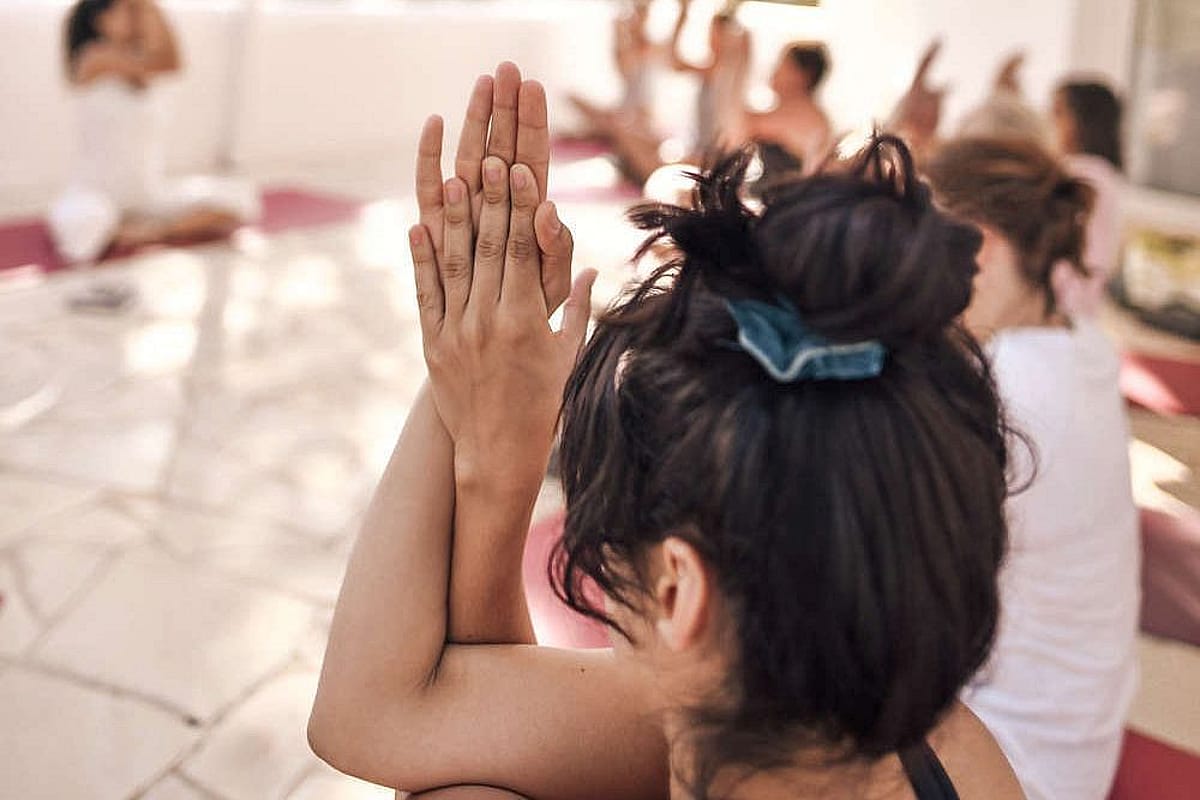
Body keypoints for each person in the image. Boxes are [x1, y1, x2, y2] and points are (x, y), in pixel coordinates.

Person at [309, 62, 1026, 800]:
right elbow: (454, 713)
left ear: (680, 591)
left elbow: (385, 718)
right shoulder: (943, 751)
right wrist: (492, 470)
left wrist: (467, 400)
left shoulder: (681, 718)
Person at [925, 138, 1139, 800]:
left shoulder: (1003, 393)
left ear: (979, 247)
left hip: (1015, 766)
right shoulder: (1083, 345)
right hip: (1077, 743)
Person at [48, 0, 257, 265]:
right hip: (96, 193)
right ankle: (117, 228)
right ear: (99, 19)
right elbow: (168, 62)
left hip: (147, 194)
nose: (135, 17)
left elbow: (172, 61)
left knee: (239, 200)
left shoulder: (140, 66)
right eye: (126, 10)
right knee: (86, 226)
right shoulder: (94, 57)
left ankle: (149, 233)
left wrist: (146, 7)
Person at [1050, 81, 1125, 316]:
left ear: (1081, 121)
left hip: (1064, 304)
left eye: (1057, 113)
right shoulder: (1105, 175)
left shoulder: (1079, 176)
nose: (1049, 123)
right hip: (1082, 305)